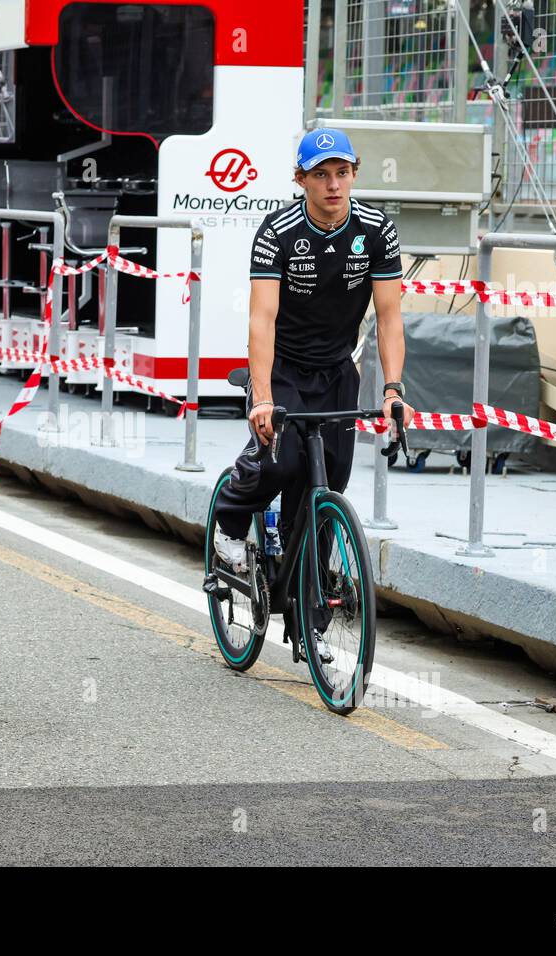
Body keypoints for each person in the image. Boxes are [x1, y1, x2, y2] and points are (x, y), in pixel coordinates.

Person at [212, 128, 414, 645]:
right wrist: (262, 397)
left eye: (341, 173)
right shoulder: (277, 231)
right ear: (300, 179)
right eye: (320, 174)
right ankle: (230, 522)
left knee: (329, 484)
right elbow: (261, 320)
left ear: (354, 173)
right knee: (283, 462)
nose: (332, 184)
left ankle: (308, 614)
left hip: (337, 369)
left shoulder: (377, 231)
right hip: (281, 366)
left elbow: (389, 319)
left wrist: (392, 390)